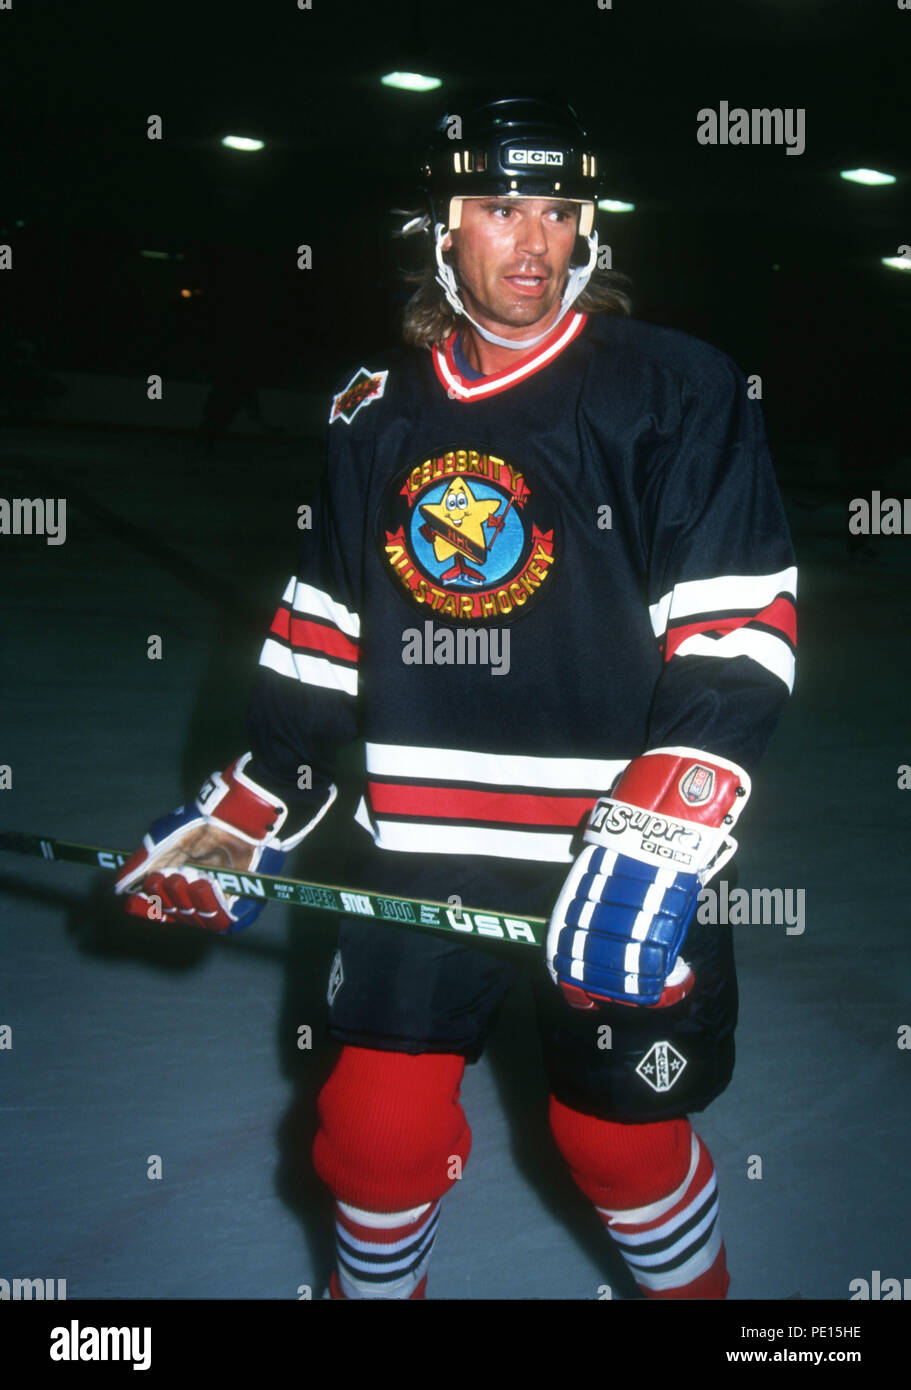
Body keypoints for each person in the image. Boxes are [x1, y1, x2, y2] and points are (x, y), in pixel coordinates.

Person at [115, 97, 797, 1300]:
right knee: (371, 1136)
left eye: (557, 212)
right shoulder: (371, 410)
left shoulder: (674, 389)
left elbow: (734, 628)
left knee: (617, 1143)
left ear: (590, 231)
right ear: (439, 227)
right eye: (497, 208)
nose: (530, 242)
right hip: (420, 847)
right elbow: (322, 631)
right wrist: (255, 803)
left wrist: (667, 819)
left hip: (621, 854)